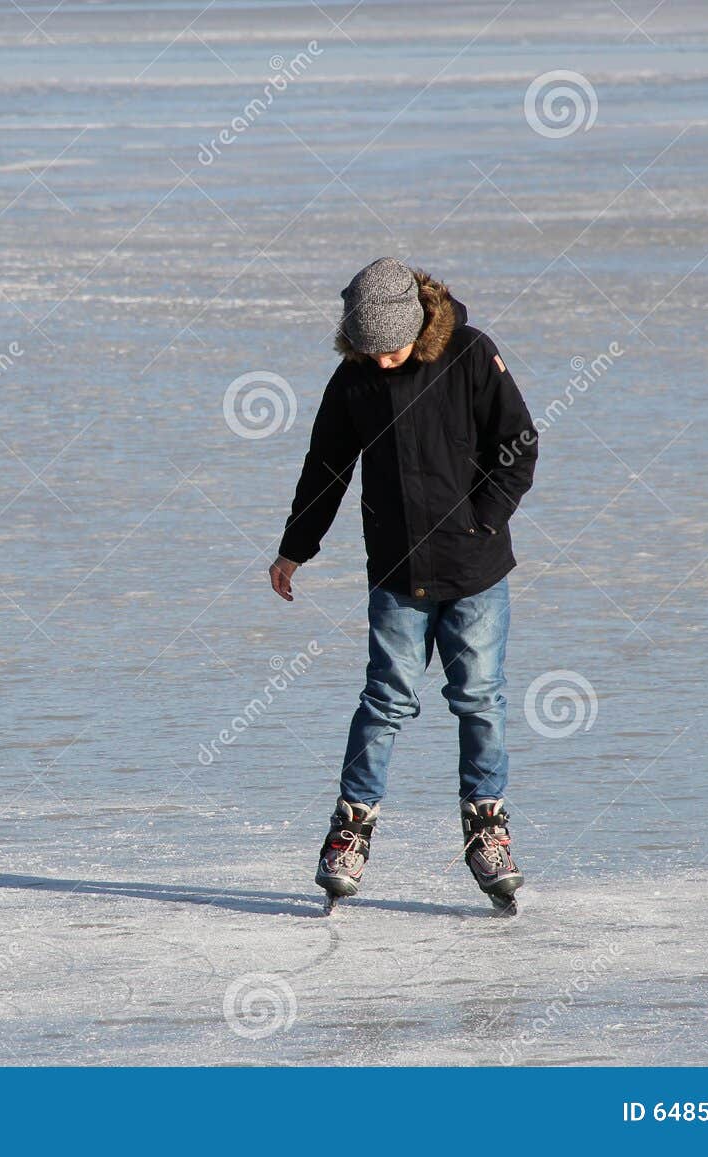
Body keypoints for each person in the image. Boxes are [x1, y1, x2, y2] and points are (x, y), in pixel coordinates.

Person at [269, 257, 538, 912]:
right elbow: (326, 467)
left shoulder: (472, 356)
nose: (382, 361)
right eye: (368, 349)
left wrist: (483, 518)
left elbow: (519, 442)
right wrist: (294, 550)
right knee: (385, 699)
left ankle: (487, 827)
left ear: (415, 325)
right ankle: (351, 830)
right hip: (396, 574)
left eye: (389, 347)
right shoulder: (356, 378)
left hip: (475, 573)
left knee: (478, 696)